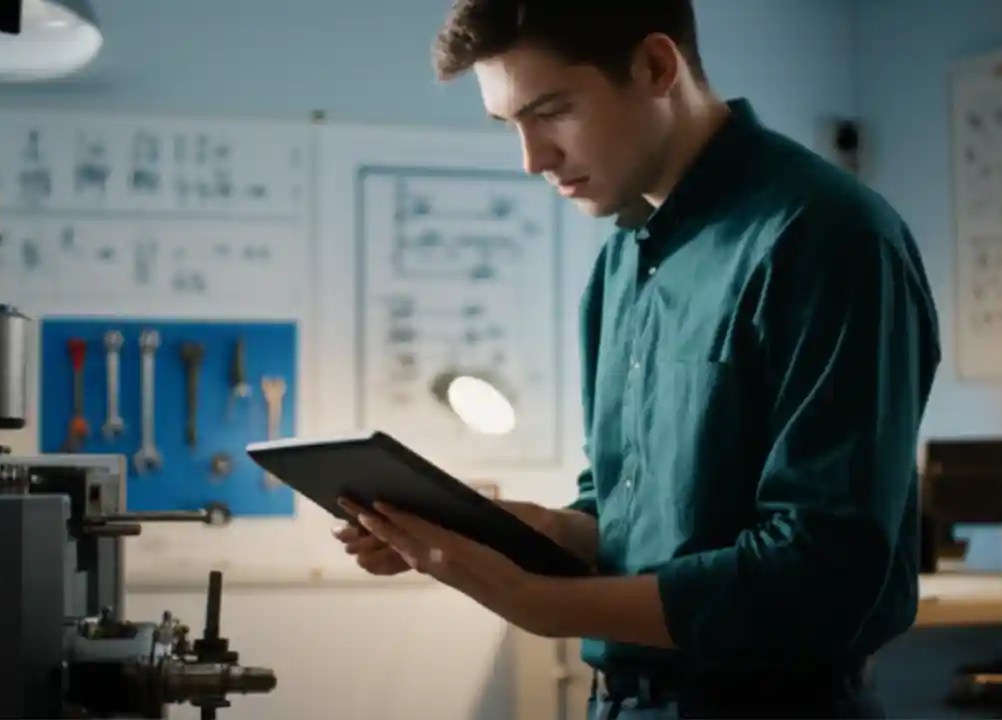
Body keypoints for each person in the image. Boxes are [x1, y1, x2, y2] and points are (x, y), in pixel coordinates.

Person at [332, 1, 942, 717]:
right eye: (511, 126)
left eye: (552, 111)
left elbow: (823, 573)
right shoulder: (623, 262)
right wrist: (508, 529)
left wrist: (543, 604)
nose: (532, 159)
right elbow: (626, 520)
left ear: (657, 66)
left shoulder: (826, 236)